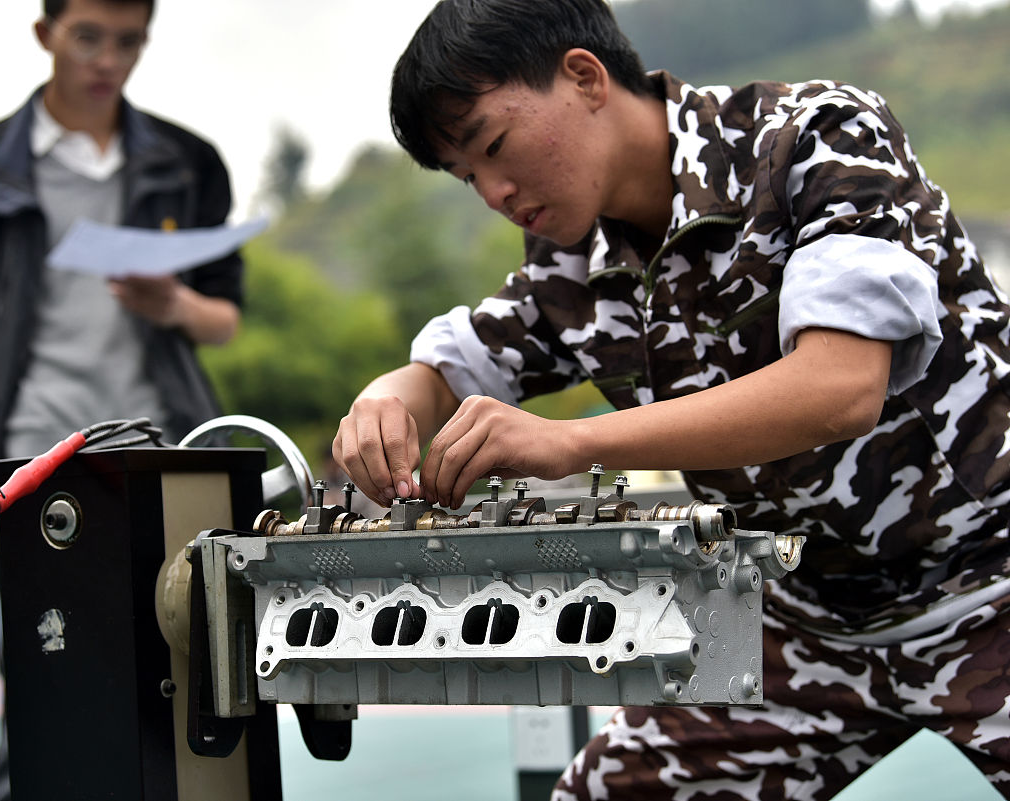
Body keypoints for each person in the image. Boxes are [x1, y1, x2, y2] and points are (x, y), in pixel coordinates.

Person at [331, 0, 1010, 797]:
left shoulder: (813, 140)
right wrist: (386, 402)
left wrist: (572, 443)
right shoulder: (571, 260)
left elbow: (840, 385)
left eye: (493, 146)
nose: (494, 190)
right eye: (466, 176)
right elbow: (450, 365)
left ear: (584, 76)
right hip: (795, 623)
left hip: (989, 586)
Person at [0, 1, 242, 798]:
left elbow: (224, 317)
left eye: (128, 43)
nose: (108, 60)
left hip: (162, 460)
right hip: (33, 463)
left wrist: (176, 305)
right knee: (44, 689)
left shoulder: (189, 162)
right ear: (45, 34)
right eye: (87, 38)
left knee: (191, 686)